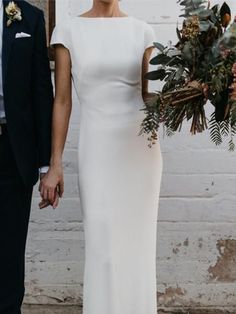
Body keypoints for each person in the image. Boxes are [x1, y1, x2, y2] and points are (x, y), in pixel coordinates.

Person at [41, 0, 163, 313]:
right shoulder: (68, 30)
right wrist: (55, 164)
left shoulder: (143, 32)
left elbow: (151, 98)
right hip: (97, 152)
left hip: (140, 153)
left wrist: (191, 89)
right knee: (103, 249)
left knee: (137, 250)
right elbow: (63, 102)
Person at [0, 0, 53, 313]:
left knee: (9, 248)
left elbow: (41, 91)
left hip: (13, 149)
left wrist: (46, 163)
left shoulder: (29, 17)